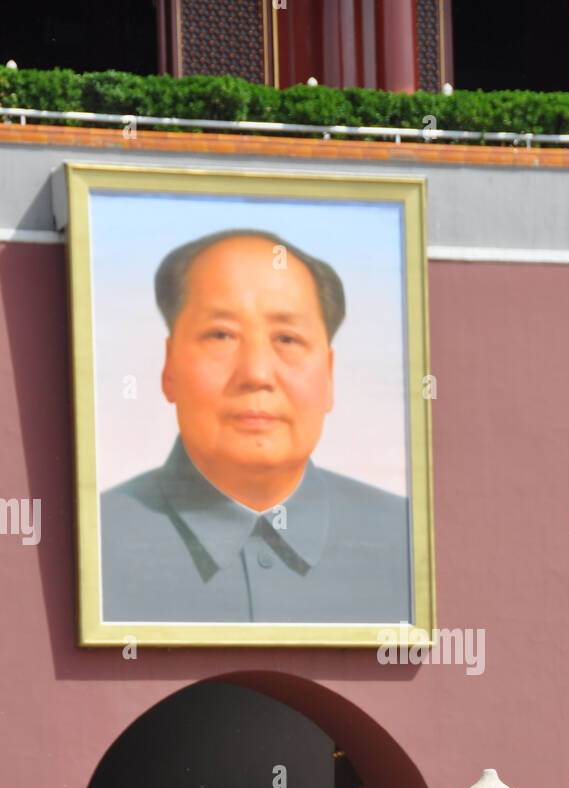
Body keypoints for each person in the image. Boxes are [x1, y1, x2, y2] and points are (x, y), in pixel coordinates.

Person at [99, 229, 411, 625]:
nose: (257, 373)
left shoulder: (407, 540)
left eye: (287, 338)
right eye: (221, 334)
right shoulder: (93, 539)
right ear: (169, 366)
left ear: (329, 376)